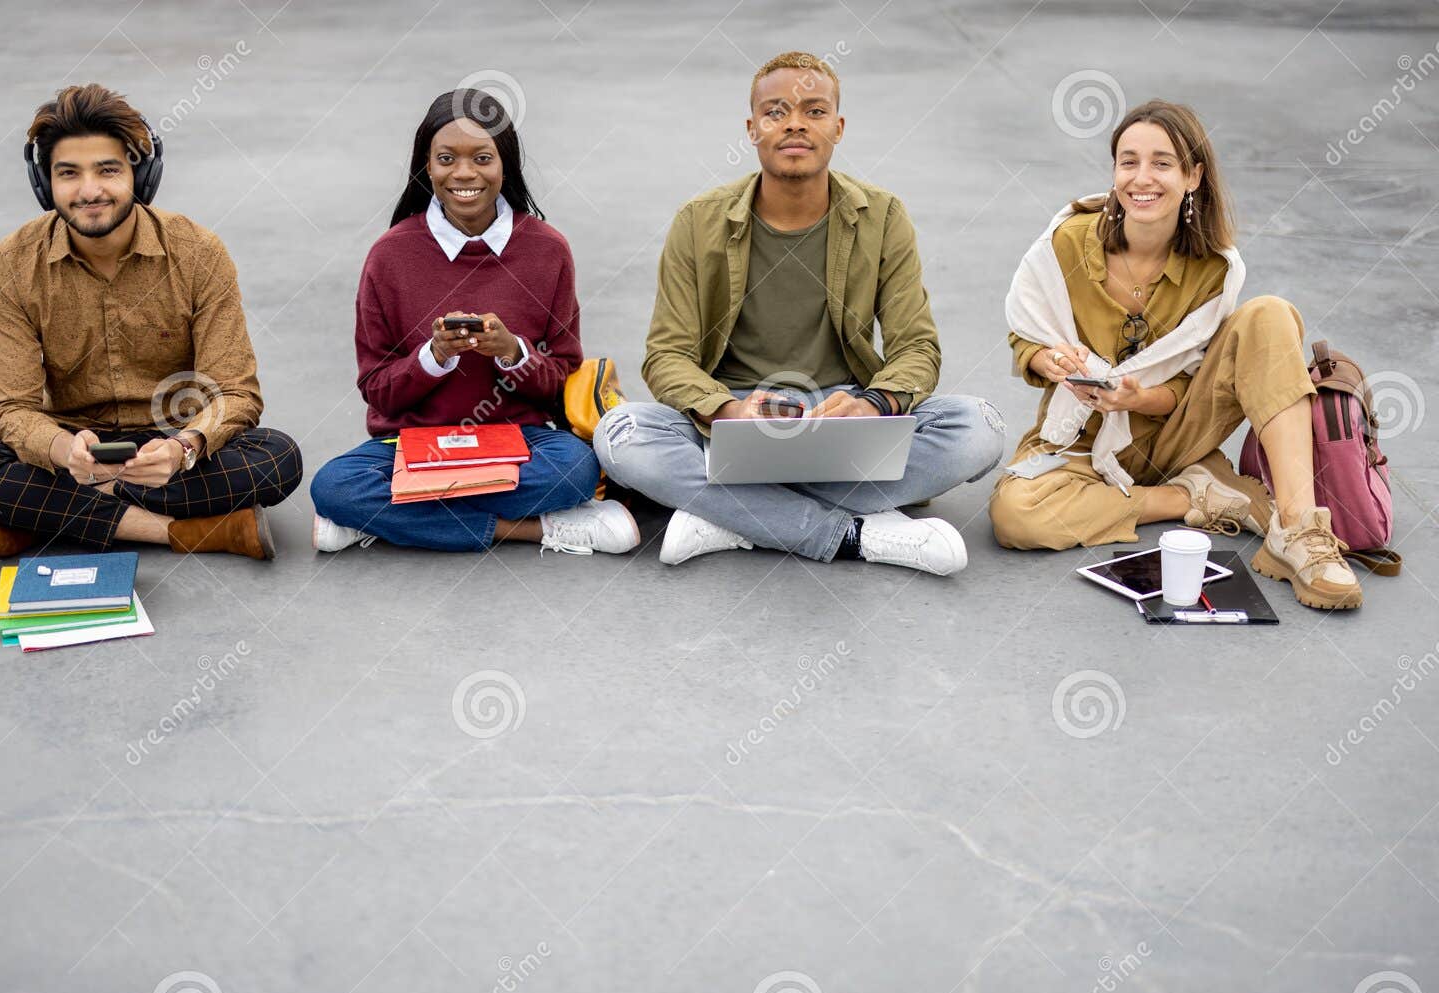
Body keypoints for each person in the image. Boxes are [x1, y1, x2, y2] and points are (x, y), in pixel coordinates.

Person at [591, 51, 1005, 572]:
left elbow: (916, 347)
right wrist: (729, 411)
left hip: (842, 414)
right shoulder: (697, 221)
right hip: (734, 418)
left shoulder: (882, 216)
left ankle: (730, 513)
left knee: (979, 426)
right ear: (752, 129)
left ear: (838, 127)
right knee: (621, 434)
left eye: (814, 110)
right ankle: (856, 534)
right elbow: (666, 356)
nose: (794, 124)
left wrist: (873, 406)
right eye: (775, 111)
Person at [989, 99, 1362, 610]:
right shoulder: (1067, 243)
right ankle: (1194, 495)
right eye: (1129, 161)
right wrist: (1045, 360)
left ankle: (1298, 530)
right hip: (1080, 437)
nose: (1142, 178)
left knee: (1270, 314)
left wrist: (1138, 399)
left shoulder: (1213, 267)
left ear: (1193, 176)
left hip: (1175, 435)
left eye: (1162, 163)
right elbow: (1026, 334)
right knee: (1014, 515)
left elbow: (1195, 383)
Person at [0, 84, 301, 561]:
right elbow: (14, 408)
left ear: (140, 175)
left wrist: (184, 449)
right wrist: (63, 450)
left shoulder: (198, 252)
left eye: (108, 170)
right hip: (71, 444)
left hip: (170, 442)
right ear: (44, 183)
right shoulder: (12, 262)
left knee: (277, 458)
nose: (90, 191)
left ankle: (37, 519)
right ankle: (182, 532)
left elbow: (235, 391)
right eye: (68, 173)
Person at [309, 90, 638, 557]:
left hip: (519, 440)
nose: (464, 173)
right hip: (411, 443)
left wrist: (512, 352)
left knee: (575, 469)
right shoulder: (389, 254)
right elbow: (377, 388)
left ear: (505, 165)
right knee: (335, 486)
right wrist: (434, 356)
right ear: (426, 166)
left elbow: (559, 380)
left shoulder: (547, 250)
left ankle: (390, 519)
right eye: (446, 159)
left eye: (482, 158)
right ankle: (533, 529)